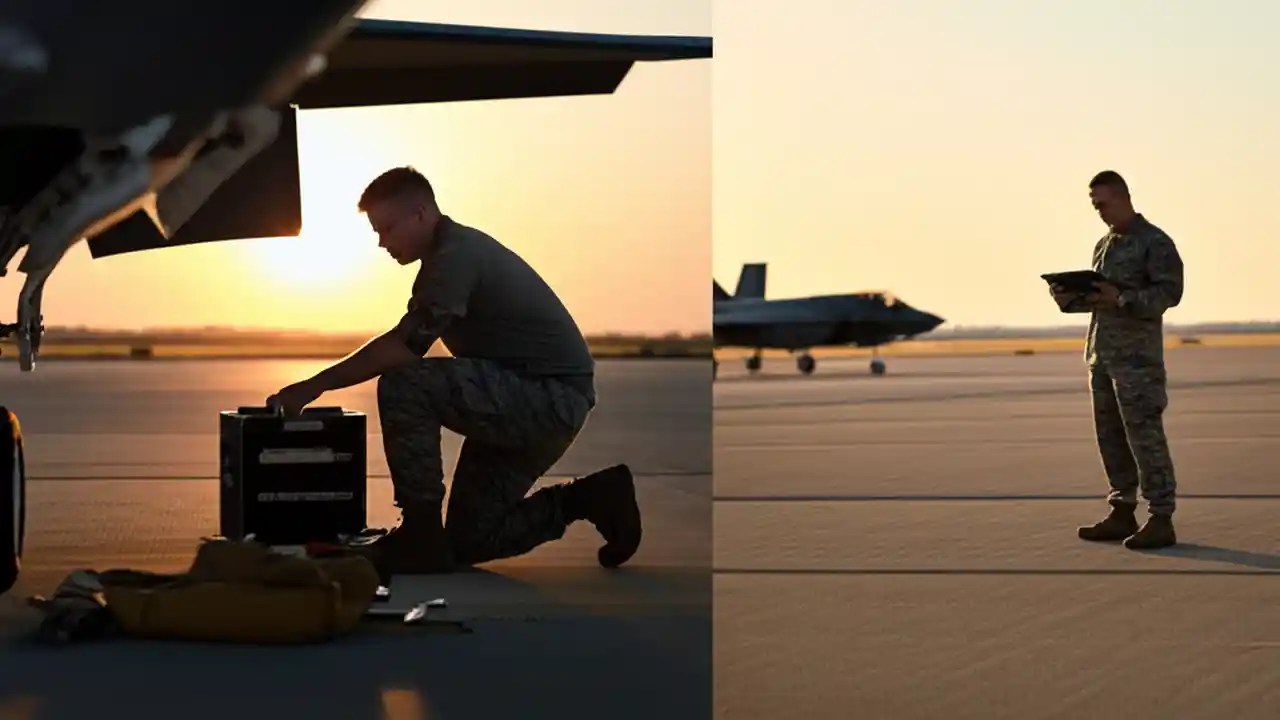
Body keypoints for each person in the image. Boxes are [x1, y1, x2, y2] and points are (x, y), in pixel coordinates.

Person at [265, 166, 641, 575]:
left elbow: (406, 347)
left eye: (388, 228)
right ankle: (591, 498)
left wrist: (315, 386)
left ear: (421, 214)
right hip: (525, 400)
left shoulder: (455, 256)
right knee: (469, 540)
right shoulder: (447, 256)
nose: (381, 242)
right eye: (377, 232)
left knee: (405, 384)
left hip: (548, 400)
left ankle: (419, 534)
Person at [1050, 170, 1183, 550]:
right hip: (1103, 357)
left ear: (1123, 198)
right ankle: (1122, 509)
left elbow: (1168, 294)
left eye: (1103, 203)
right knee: (1111, 438)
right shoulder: (1104, 245)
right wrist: (1073, 298)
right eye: (1094, 205)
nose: (1099, 211)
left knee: (1145, 438)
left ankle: (1161, 516)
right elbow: (1101, 299)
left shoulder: (1154, 243)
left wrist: (1122, 299)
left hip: (1137, 362)